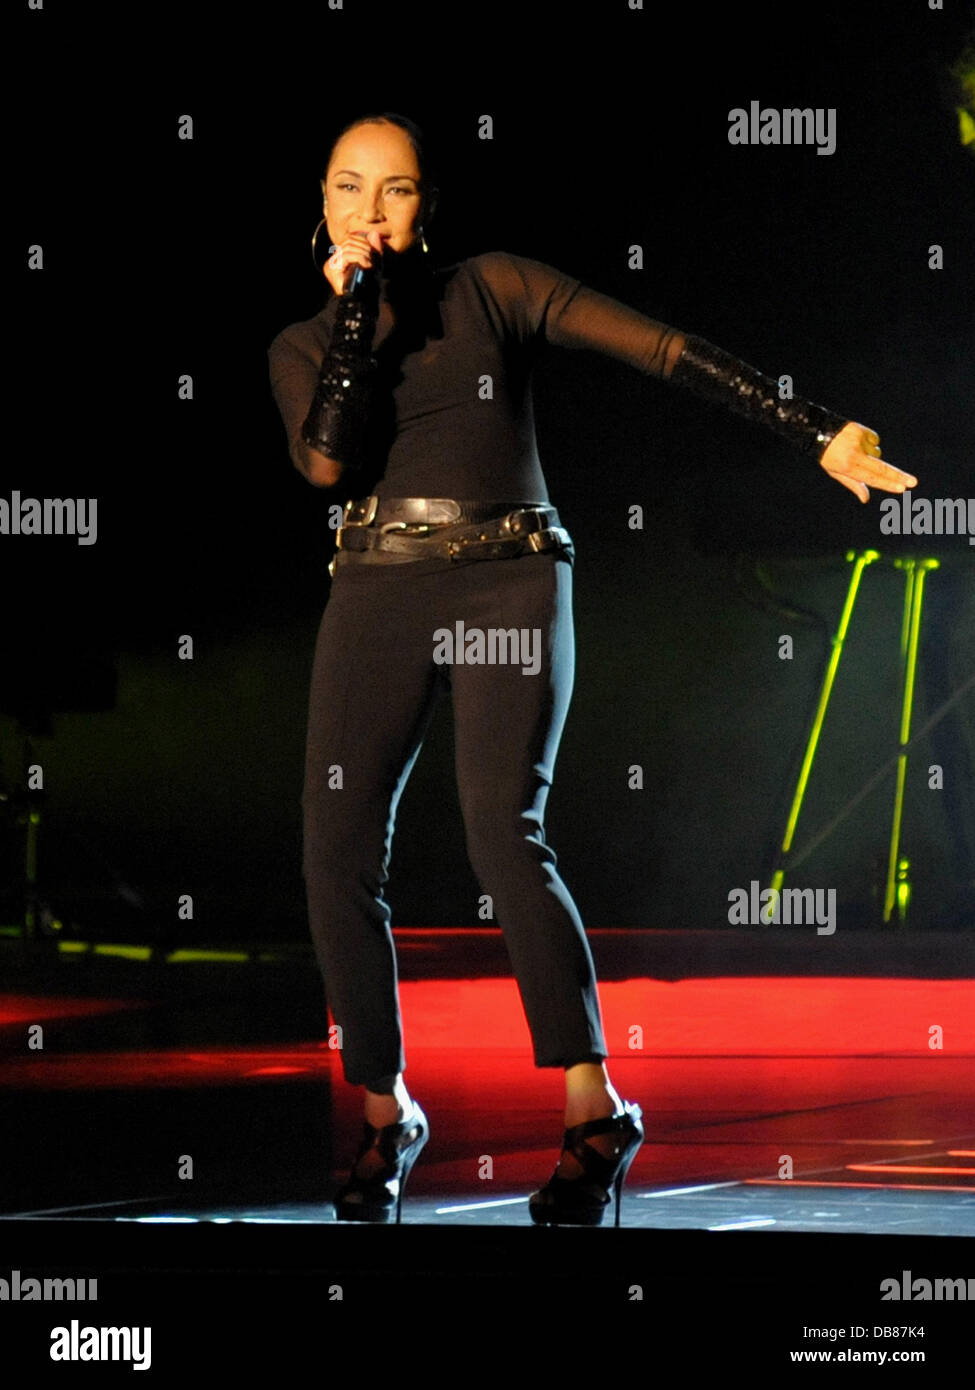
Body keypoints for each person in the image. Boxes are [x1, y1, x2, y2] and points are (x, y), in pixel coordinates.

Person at [268, 111, 918, 1227]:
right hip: (376, 584)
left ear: (430, 209)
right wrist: (354, 314)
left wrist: (810, 427)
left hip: (511, 575)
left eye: (399, 190)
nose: (373, 209)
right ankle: (384, 1110)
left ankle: (593, 1107)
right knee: (334, 845)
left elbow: (657, 346)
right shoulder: (299, 345)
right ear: (319, 206)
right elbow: (327, 458)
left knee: (500, 828)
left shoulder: (495, 287)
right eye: (349, 187)